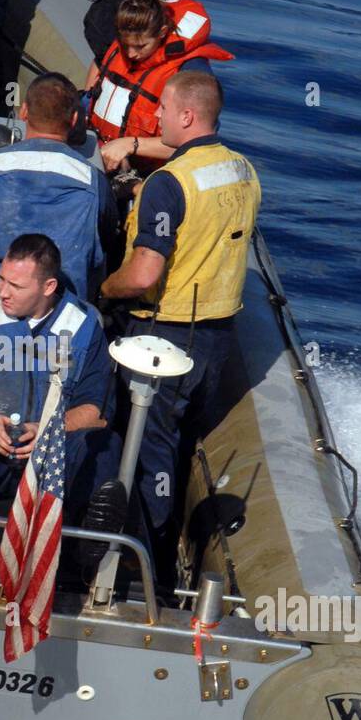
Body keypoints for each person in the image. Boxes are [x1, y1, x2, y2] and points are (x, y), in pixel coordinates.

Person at [99, 72, 260, 581]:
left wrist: (103, 290)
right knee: (178, 446)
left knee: (149, 454)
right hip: (215, 338)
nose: (157, 118)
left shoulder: (170, 184)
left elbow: (146, 273)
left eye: (164, 109)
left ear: (186, 116)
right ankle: (164, 560)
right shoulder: (242, 169)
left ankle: (136, 566)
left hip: (163, 334)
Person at [0, 234, 126, 542]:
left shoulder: (84, 328)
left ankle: (92, 541)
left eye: (15, 286)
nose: (2, 291)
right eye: (2, 279)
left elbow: (96, 412)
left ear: (48, 287)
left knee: (106, 445)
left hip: (50, 463)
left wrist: (47, 430)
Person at [0, 73, 120, 298]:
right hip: (58, 312)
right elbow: (104, 253)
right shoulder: (96, 183)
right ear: (75, 119)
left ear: (24, 111)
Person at [89, 0, 233, 174]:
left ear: (162, 32)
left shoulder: (189, 73)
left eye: (141, 46)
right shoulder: (124, 44)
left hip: (148, 174)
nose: (131, 54)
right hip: (103, 154)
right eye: (126, 45)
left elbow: (194, 144)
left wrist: (130, 145)